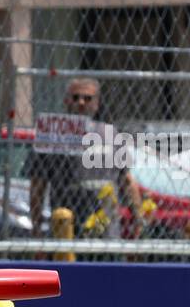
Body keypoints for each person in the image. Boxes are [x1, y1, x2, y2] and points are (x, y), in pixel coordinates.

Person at [27, 77, 142, 238]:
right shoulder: (53, 134)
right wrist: (36, 225)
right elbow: (38, 184)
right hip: (65, 224)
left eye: (88, 98)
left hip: (105, 225)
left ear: (97, 103)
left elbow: (125, 179)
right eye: (75, 97)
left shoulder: (110, 133)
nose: (81, 102)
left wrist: (138, 218)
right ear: (66, 101)